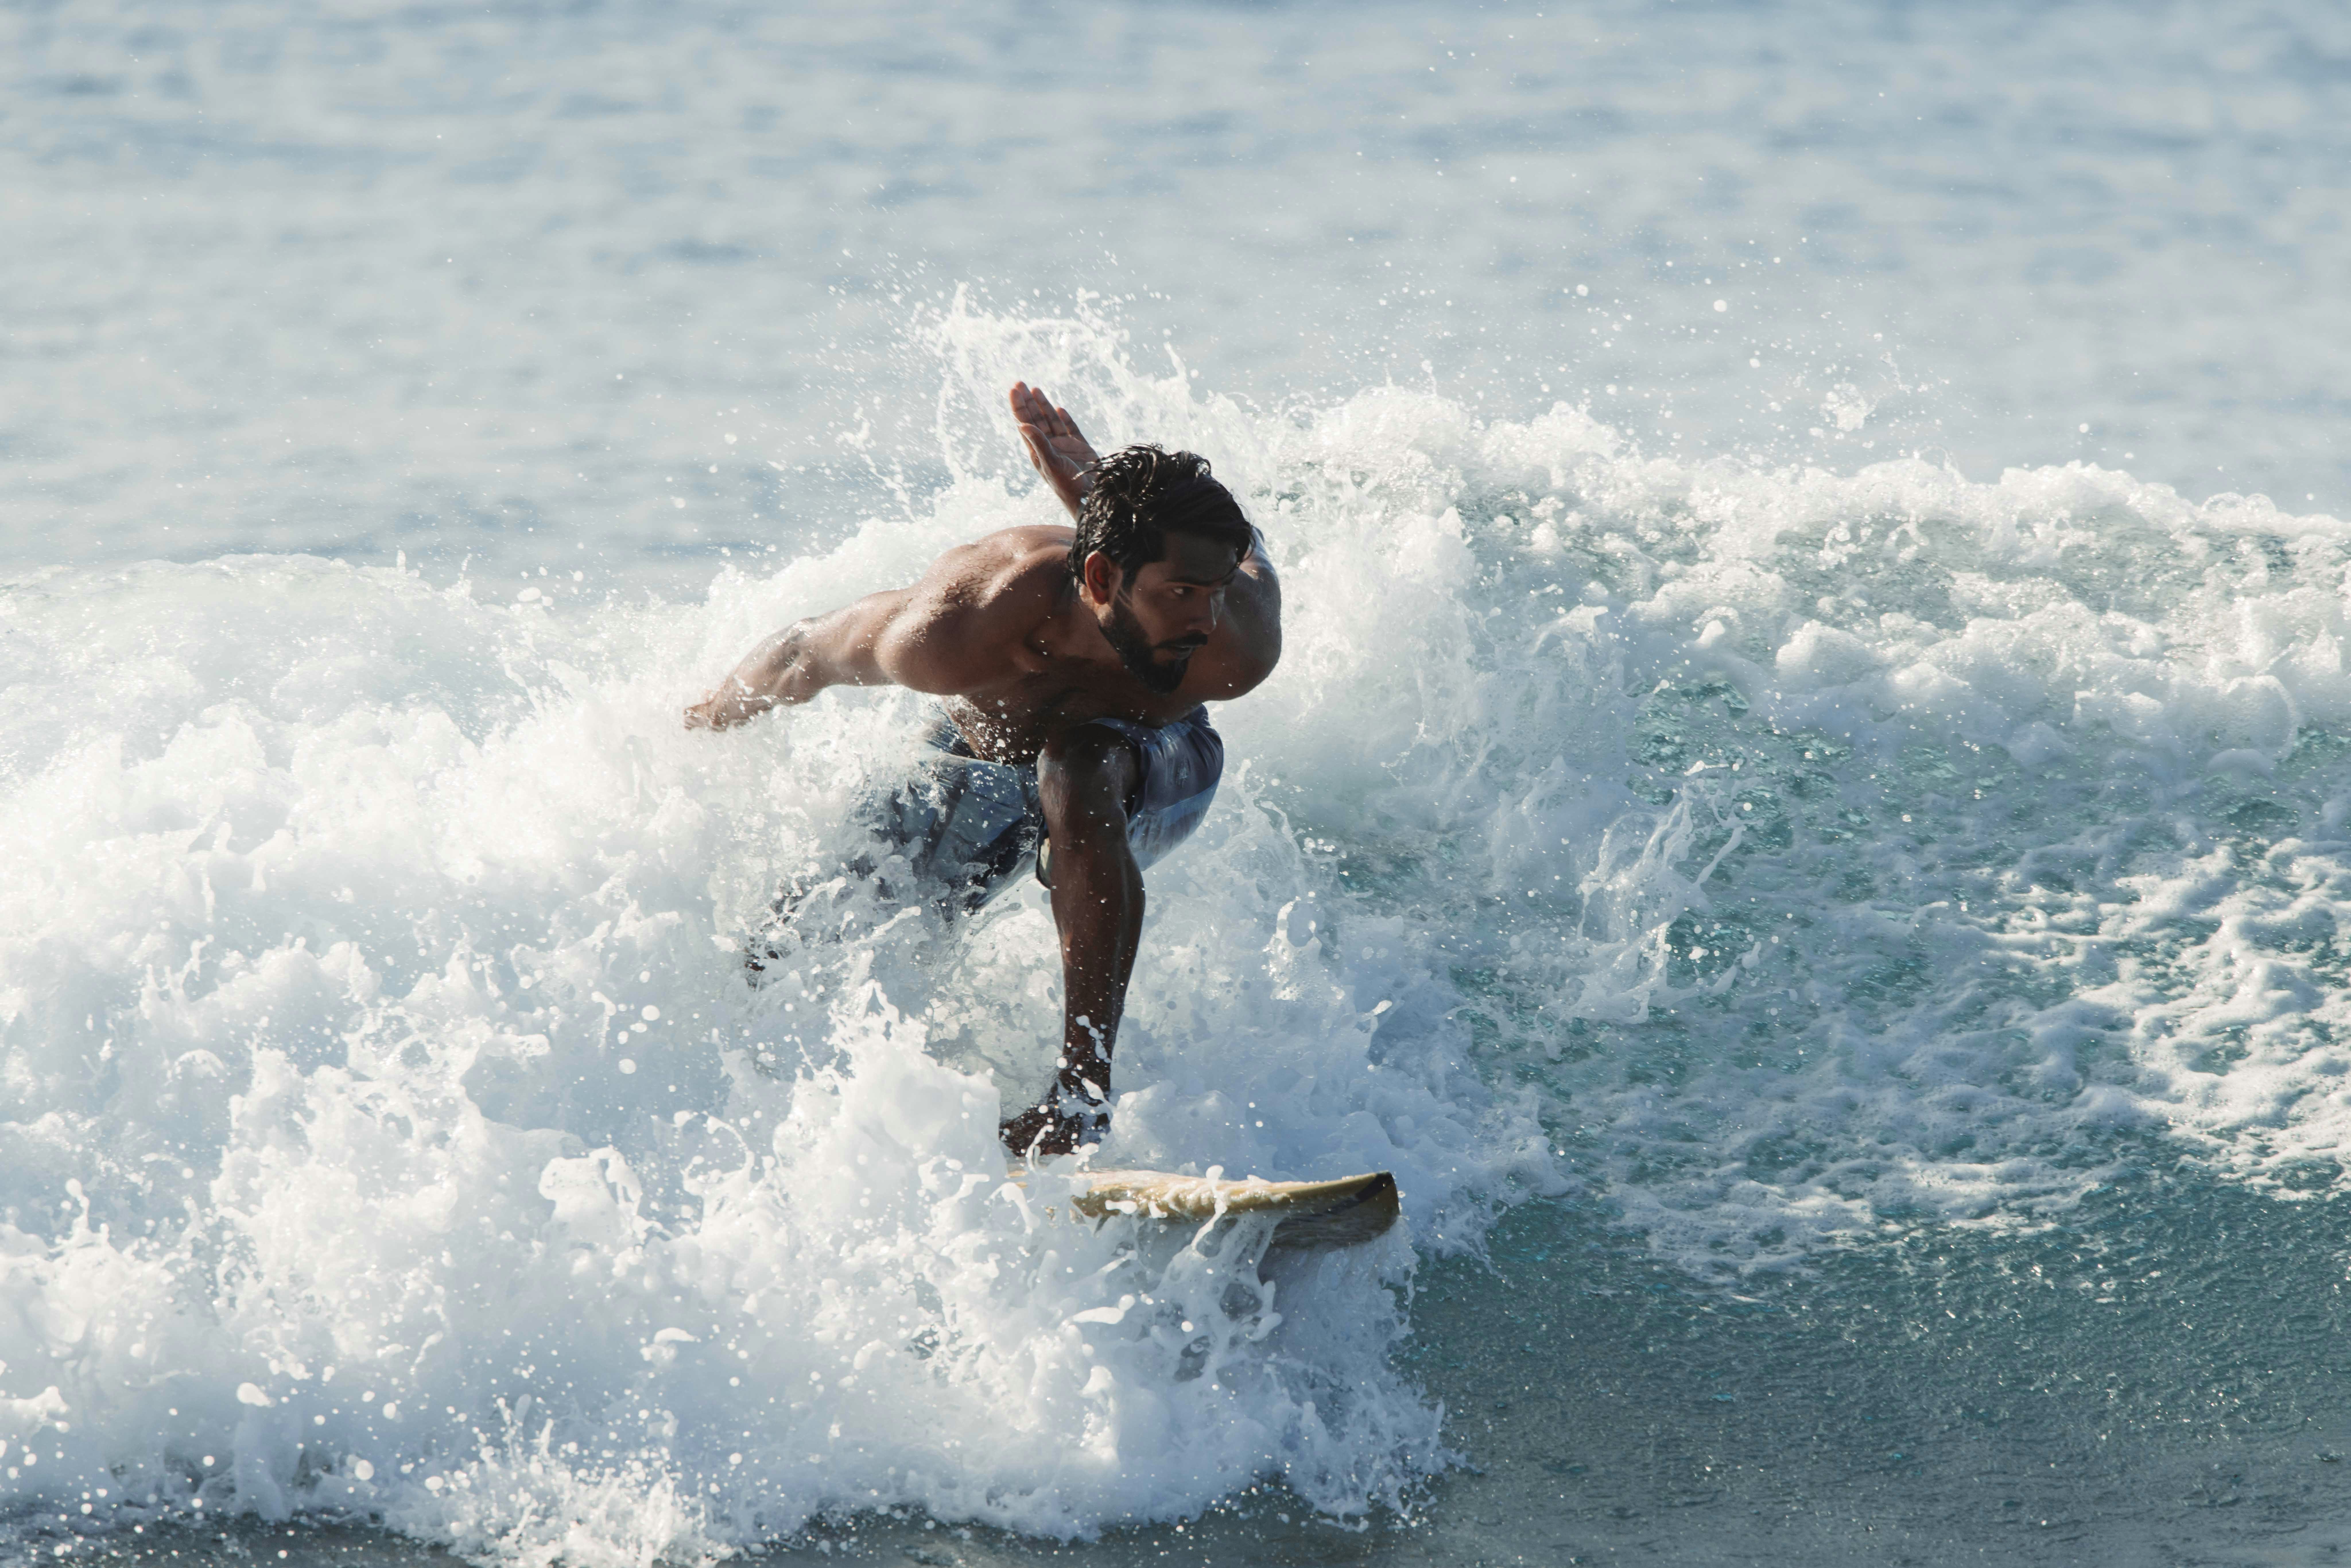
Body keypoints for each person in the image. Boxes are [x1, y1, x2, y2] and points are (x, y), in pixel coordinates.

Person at [685, 383, 1282, 1156]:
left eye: (1215, 592)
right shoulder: (958, 627)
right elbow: (806, 652)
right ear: (1102, 580)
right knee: (780, 953)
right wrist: (705, 723)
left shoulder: (1235, 643)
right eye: (1181, 593)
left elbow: (1245, 551)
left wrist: (1101, 489)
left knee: (1076, 766)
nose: (1204, 619)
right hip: (984, 765)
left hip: (1157, 765)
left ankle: (1080, 1099)